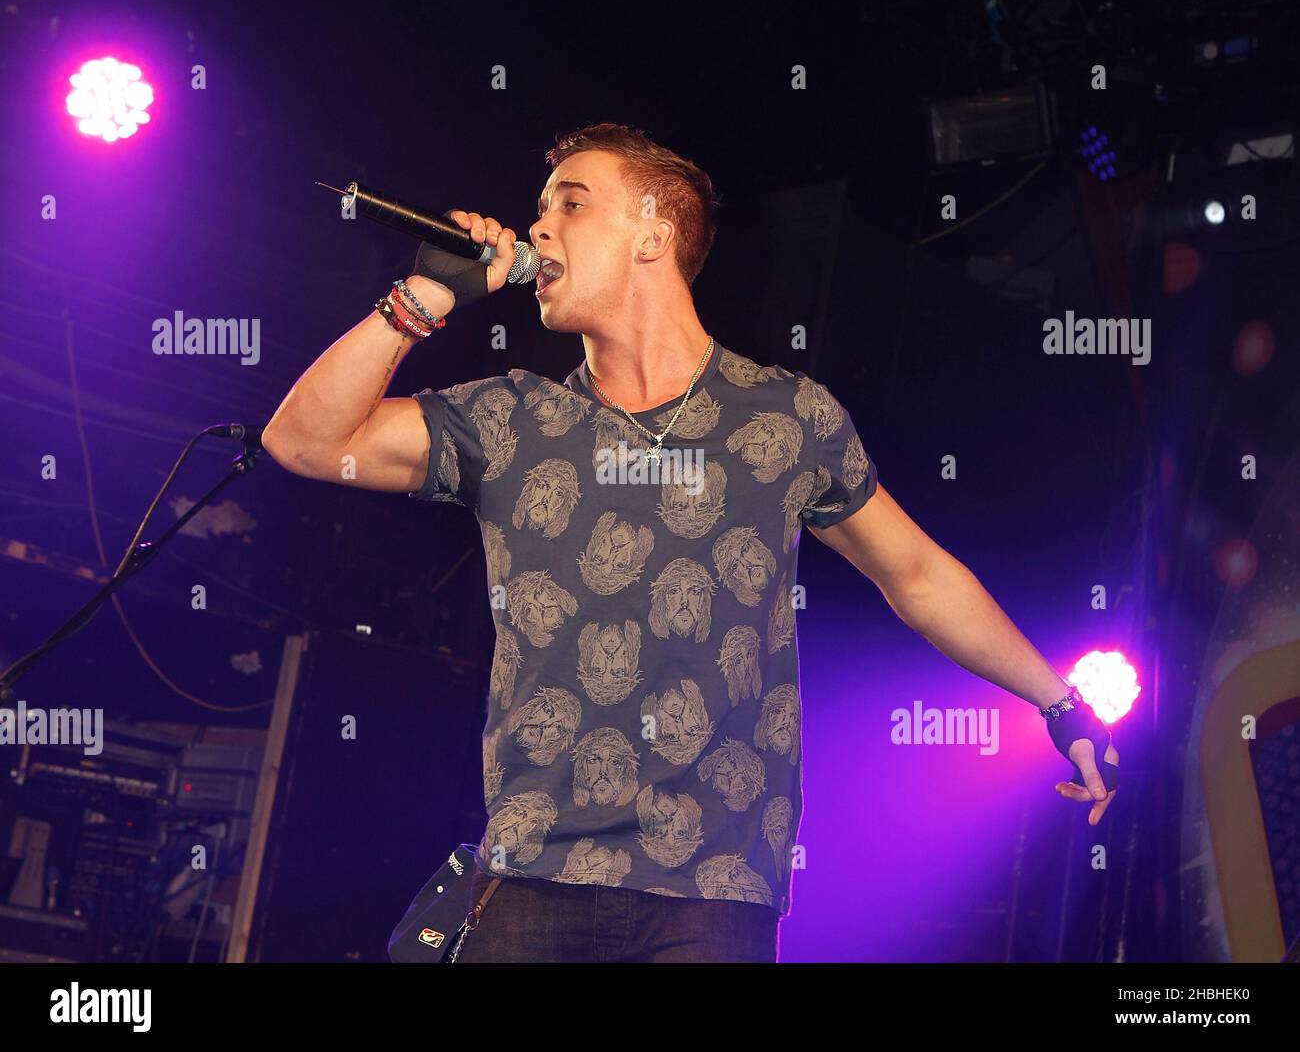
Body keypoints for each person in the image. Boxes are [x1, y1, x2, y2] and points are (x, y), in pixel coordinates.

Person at [262, 123, 1119, 963]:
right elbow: (302, 440)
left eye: (571, 203)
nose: (539, 229)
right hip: (534, 873)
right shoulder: (511, 419)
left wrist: (1060, 704)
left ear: (652, 235)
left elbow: (920, 576)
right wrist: (423, 301)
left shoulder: (786, 417)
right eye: (539, 210)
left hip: (714, 891)